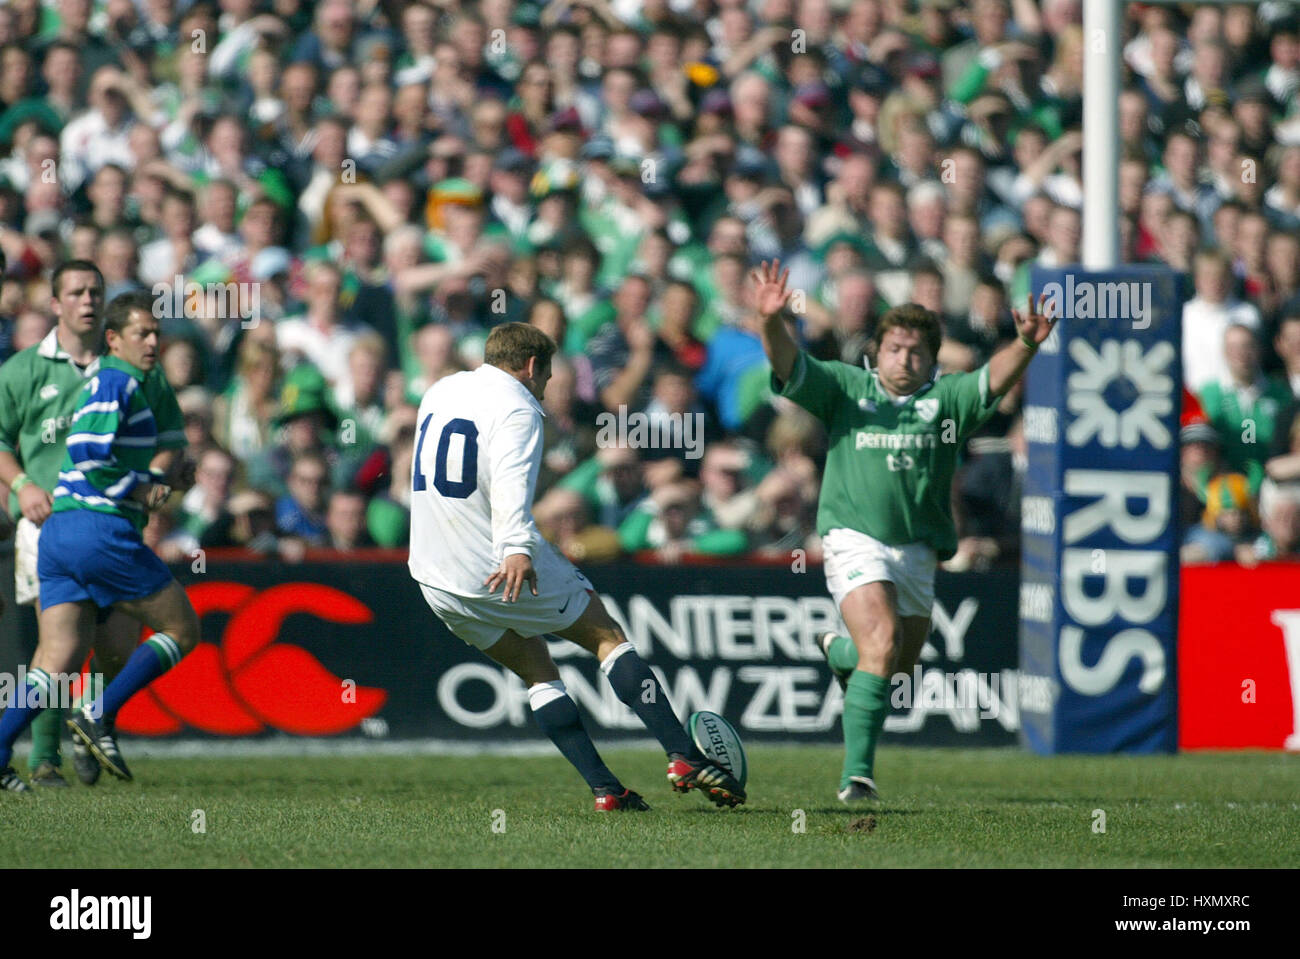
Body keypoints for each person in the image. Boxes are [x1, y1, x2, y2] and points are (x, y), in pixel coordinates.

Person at [750, 259, 1055, 804]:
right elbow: (789, 363)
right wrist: (772, 322)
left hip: (918, 550)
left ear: (932, 359)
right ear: (876, 351)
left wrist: (1026, 344)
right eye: (894, 348)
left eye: (916, 351)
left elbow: (992, 378)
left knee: (893, 664)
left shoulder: (947, 401)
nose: (904, 358)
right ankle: (856, 778)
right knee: (884, 643)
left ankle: (839, 652)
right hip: (853, 538)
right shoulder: (845, 388)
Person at [408, 322, 745, 811]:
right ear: (530, 366)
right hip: (495, 563)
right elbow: (509, 485)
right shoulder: (518, 408)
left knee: (536, 669)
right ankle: (681, 754)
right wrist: (517, 548)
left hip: (432, 572)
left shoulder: (443, 389)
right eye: (546, 375)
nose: (545, 387)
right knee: (606, 636)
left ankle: (607, 789)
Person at [0, 293, 201, 791]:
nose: (153, 341)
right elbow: (88, 451)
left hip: (61, 532)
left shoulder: (115, 380)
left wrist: (158, 485)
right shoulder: (116, 380)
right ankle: (98, 713)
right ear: (113, 339)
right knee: (182, 628)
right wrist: (140, 488)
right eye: (142, 333)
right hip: (98, 530)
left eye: (156, 332)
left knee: (57, 658)